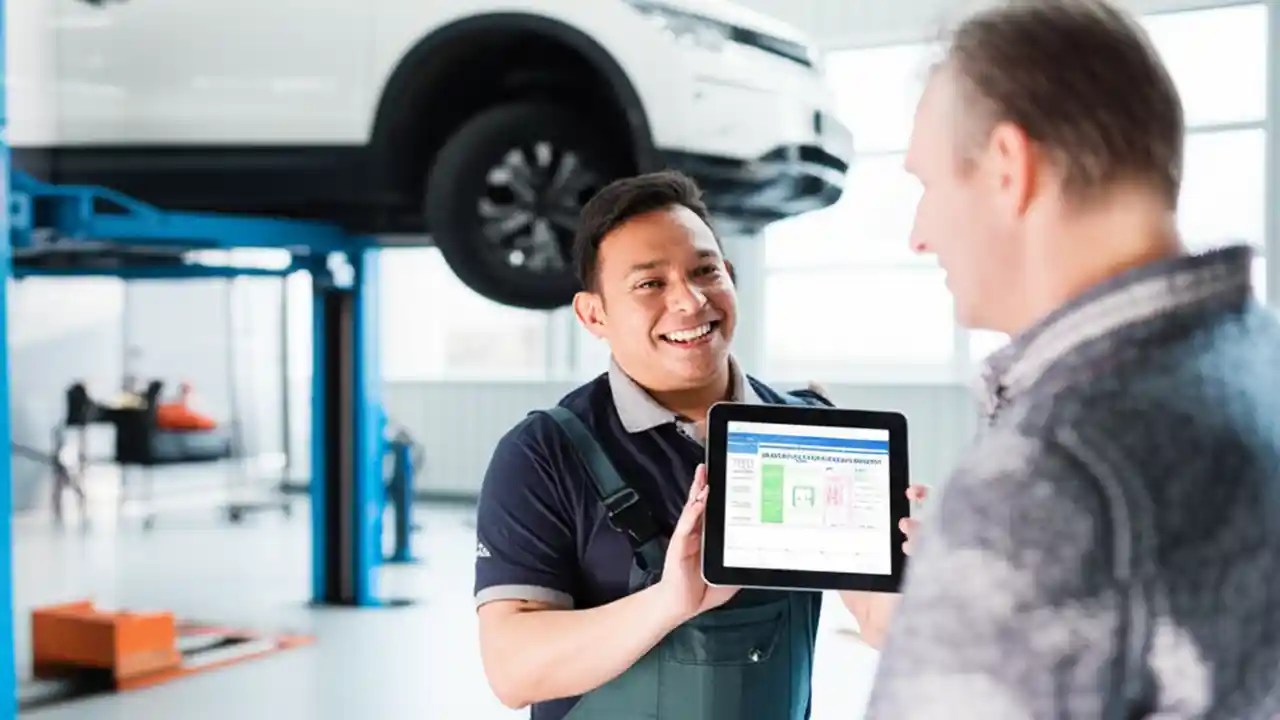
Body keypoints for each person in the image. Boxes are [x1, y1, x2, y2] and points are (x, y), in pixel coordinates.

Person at [867, 1, 1280, 717]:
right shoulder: (1254, 362)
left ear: (1008, 167)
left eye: (927, 185)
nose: (919, 234)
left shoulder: (1049, 474)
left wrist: (988, 571)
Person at [473, 171, 920, 719]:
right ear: (594, 314)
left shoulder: (810, 436)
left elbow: (881, 622)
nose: (689, 300)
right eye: (649, 283)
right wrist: (666, 604)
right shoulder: (544, 453)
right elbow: (513, 670)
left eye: (705, 271)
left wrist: (919, 580)